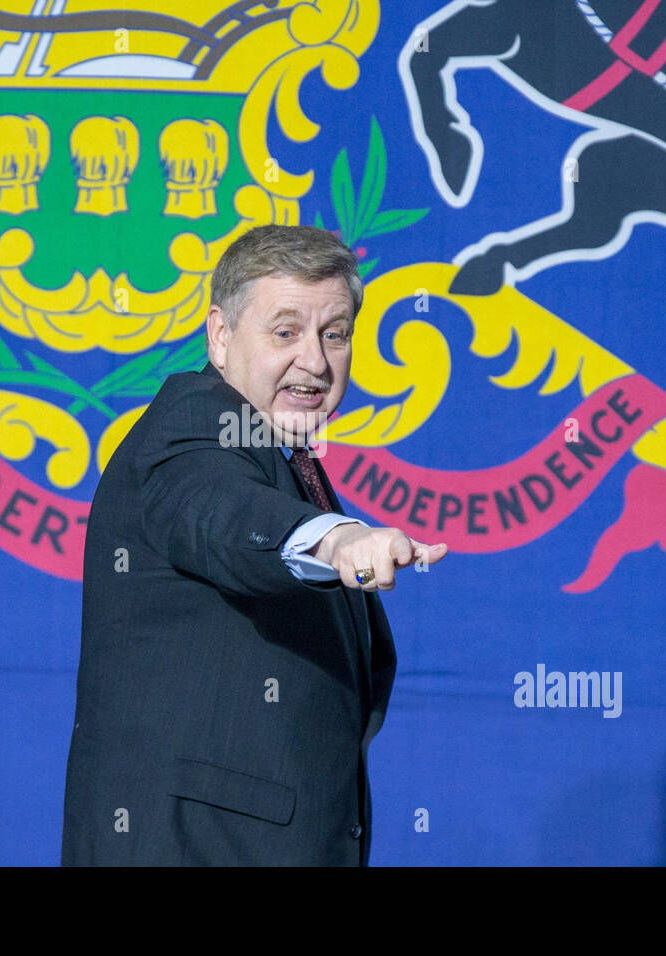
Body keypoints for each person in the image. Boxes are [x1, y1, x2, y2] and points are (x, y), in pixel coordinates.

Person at [61, 224, 448, 866]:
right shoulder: (193, 425)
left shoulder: (287, 457)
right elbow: (222, 515)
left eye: (336, 333)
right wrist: (334, 540)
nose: (317, 362)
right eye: (285, 332)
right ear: (219, 337)